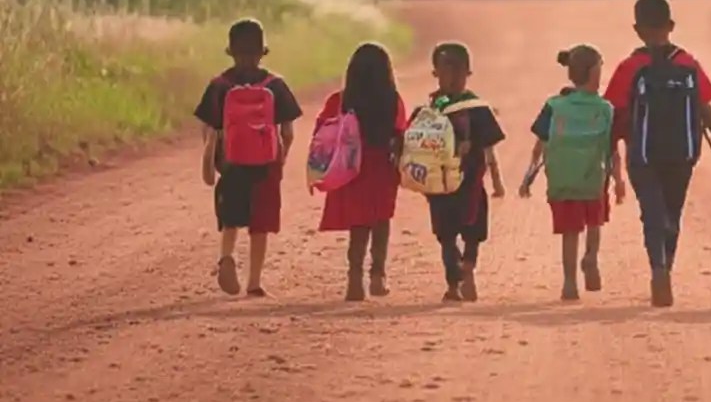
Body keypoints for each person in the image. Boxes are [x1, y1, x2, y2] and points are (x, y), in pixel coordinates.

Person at [602, 0, 711, 307]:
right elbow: (704, 108)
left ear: (637, 29)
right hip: (682, 153)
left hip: (642, 154)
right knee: (672, 213)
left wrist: (606, 155)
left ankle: (658, 268)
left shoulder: (630, 66)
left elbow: (614, 114)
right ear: (671, 26)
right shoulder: (687, 63)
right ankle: (669, 264)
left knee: (651, 212)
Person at [195, 18, 303, 298]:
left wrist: (212, 156)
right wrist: (281, 157)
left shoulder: (219, 85)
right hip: (266, 163)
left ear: (230, 50)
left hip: (231, 163)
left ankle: (227, 256)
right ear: (262, 51)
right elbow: (288, 131)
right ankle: (254, 282)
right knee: (260, 224)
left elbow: (208, 127)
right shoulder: (275, 84)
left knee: (231, 218)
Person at [519, 45, 625, 301]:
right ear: (595, 73)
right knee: (595, 223)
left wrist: (528, 177)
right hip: (593, 179)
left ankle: (569, 283)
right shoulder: (605, 109)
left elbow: (540, 145)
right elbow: (612, 150)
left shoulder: (554, 106)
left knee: (569, 232)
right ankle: (590, 257)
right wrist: (618, 179)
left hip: (562, 179)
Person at [315, 42, 407, 301]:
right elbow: (401, 131)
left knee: (359, 224)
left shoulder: (341, 99)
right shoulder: (392, 100)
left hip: (351, 169)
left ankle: (354, 277)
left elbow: (323, 129)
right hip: (382, 168)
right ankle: (378, 274)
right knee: (381, 221)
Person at [421, 42, 506, 303]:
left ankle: (465, 272)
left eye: (458, 71)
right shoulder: (435, 108)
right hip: (443, 185)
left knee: (470, 234)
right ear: (435, 73)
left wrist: (497, 180)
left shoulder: (468, 107)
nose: (453, 77)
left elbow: (489, 148)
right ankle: (453, 283)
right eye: (448, 71)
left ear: (468, 72)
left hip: (467, 184)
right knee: (449, 237)